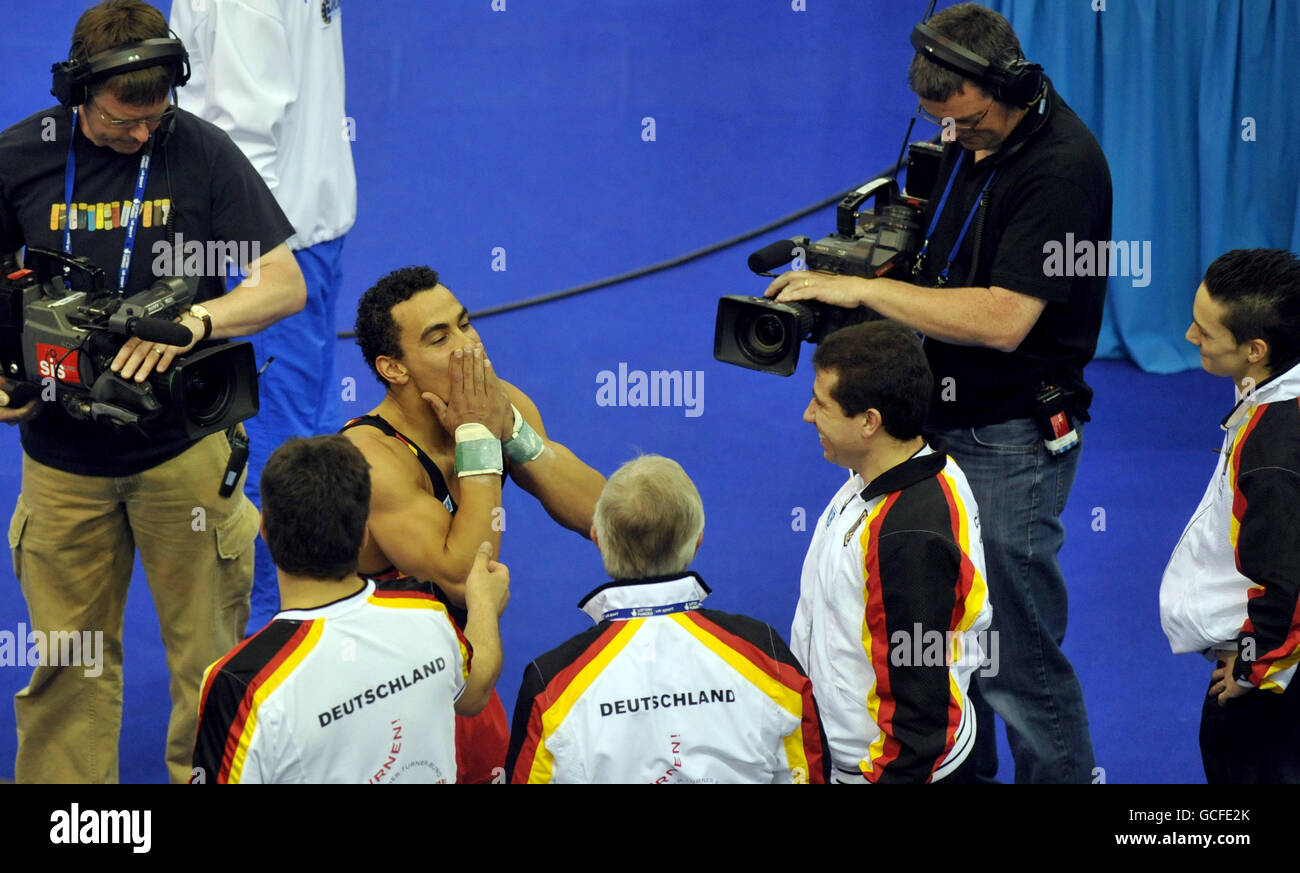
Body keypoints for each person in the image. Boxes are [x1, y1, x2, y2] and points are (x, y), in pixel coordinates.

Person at [767, 3, 1109, 783]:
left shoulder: (1063, 170)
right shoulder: (970, 136)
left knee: (1016, 654)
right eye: (940, 123)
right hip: (947, 416)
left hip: (1013, 433)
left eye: (970, 121)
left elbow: (1002, 319)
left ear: (1011, 86)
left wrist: (873, 299)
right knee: (952, 638)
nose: (957, 137)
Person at [0, 0, 306, 783]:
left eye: (155, 115)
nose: (142, 134)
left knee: (208, 668)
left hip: (185, 456)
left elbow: (283, 284)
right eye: (119, 121)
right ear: (76, 93)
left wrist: (202, 319)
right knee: (68, 669)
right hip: (62, 464)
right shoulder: (19, 159)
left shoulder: (199, 152)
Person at [343, 265, 606, 783]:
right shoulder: (372, 457)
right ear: (394, 369)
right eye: (441, 338)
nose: (469, 348)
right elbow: (466, 580)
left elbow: (603, 515)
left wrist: (514, 434)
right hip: (378, 693)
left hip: (466, 671)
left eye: (466, 325)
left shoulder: (491, 404)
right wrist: (481, 442)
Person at [170, 0, 358, 632]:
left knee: (265, 455)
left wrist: (255, 274)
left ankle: (275, 635)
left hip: (263, 248)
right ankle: (329, 610)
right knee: (309, 427)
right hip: (312, 229)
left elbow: (241, 137)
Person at [190, 435, 508, 784]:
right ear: (364, 535)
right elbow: (474, 693)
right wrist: (483, 606)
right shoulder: (428, 614)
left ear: (264, 528)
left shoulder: (241, 684)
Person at [506, 454, 827, 784]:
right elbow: (809, 773)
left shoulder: (550, 685)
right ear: (699, 539)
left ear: (598, 539)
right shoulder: (767, 656)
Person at [791, 321, 991, 784]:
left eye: (821, 404)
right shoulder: (886, 470)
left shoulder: (907, 541)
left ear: (869, 422)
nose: (807, 415)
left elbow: (918, 718)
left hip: (885, 771)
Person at [1160, 248, 1300, 784]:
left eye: (1205, 331)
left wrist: (1251, 666)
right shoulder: (1271, 393)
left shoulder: (1273, 457)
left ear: (1255, 350)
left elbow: (1286, 579)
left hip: (1270, 689)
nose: (1191, 337)